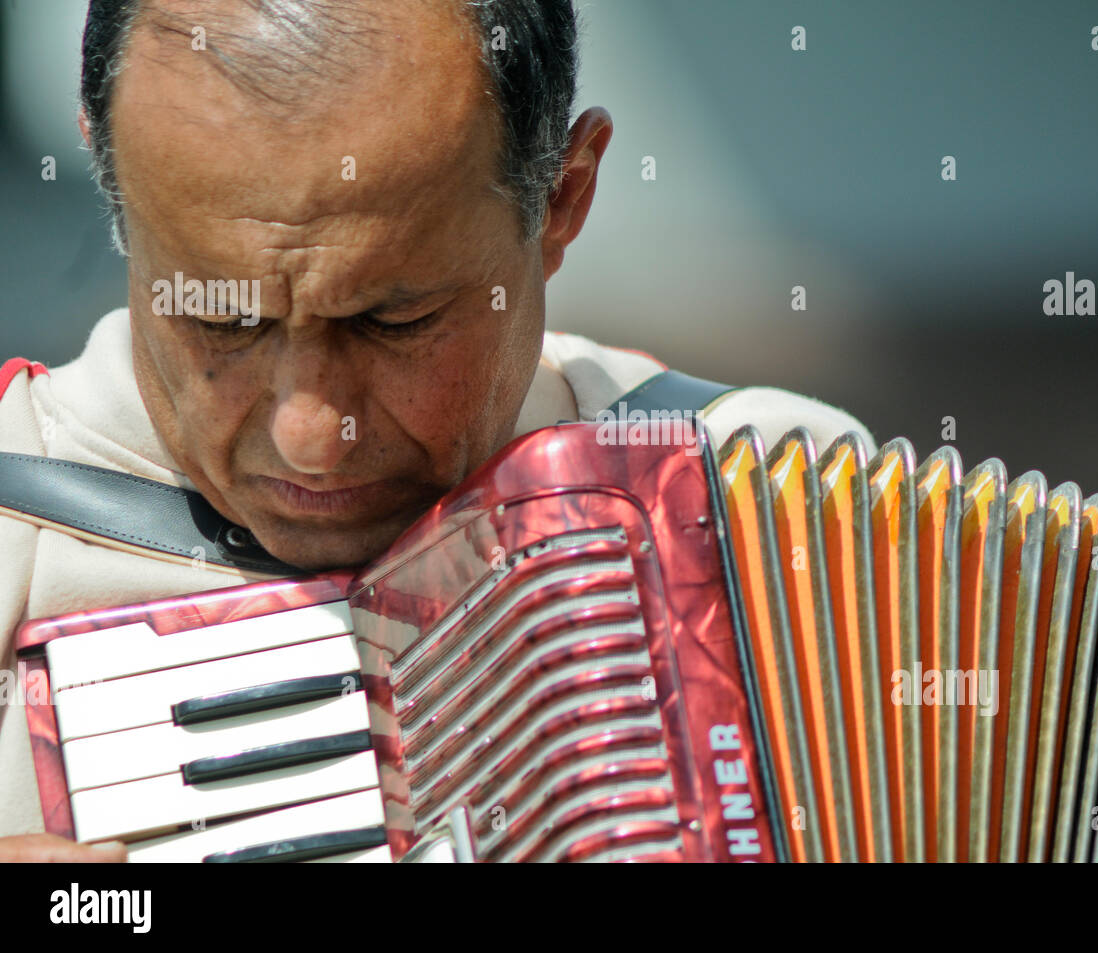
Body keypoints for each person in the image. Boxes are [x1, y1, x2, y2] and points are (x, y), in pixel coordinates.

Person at [0, 0, 872, 859]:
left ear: (562, 200)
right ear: (116, 185)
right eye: (225, 320)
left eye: (393, 320)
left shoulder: (771, 510)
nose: (311, 435)